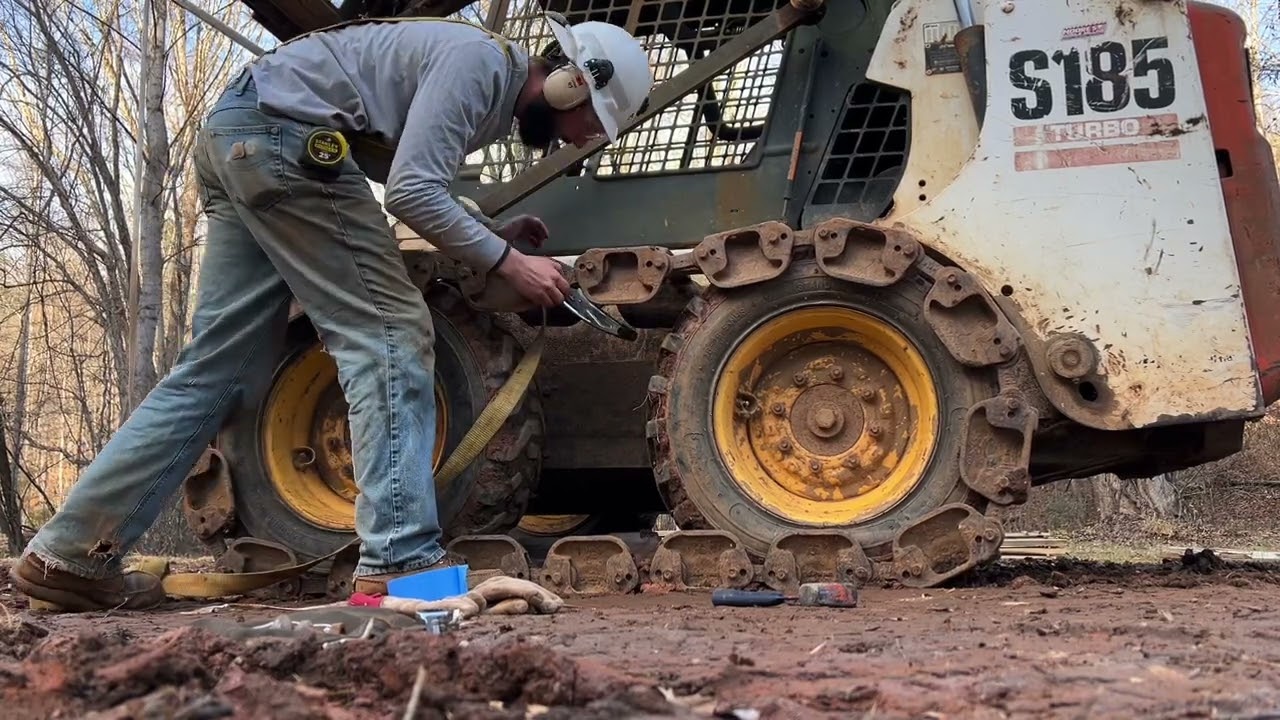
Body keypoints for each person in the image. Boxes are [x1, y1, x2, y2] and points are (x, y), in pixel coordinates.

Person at [12, 13, 654, 611]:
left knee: (220, 370)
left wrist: (492, 231)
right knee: (392, 335)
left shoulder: (475, 71)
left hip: (241, 135)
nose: (582, 139)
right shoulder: (481, 65)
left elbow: (414, 178)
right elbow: (410, 193)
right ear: (570, 83)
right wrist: (508, 263)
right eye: (590, 121)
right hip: (287, 144)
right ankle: (401, 564)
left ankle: (69, 555)